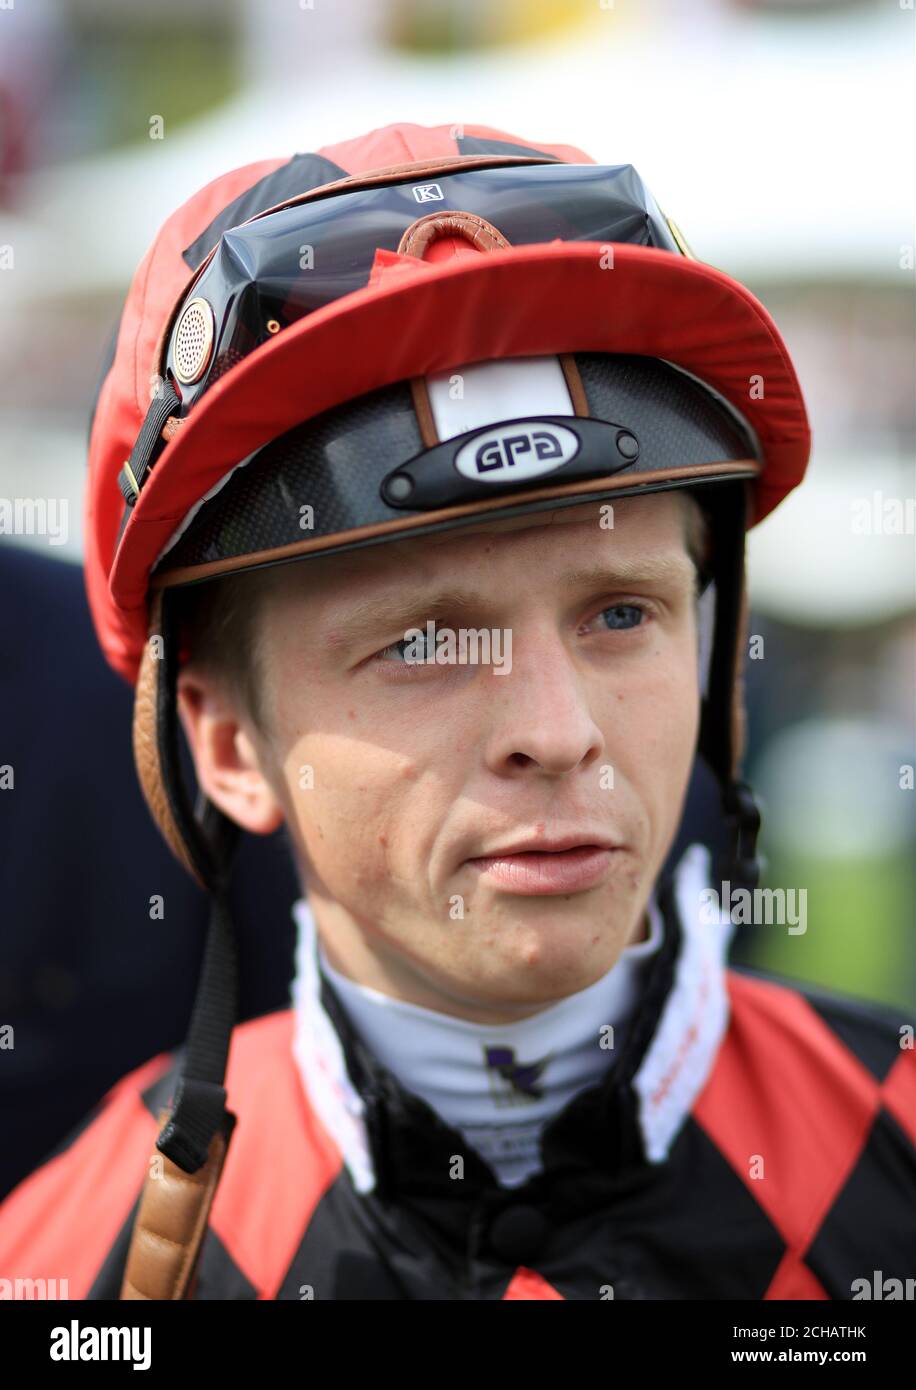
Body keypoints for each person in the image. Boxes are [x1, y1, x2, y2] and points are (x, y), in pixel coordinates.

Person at [0, 121, 912, 1302]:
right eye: (426, 642)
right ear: (227, 745)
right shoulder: (68, 1270)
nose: (559, 728)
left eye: (621, 615)